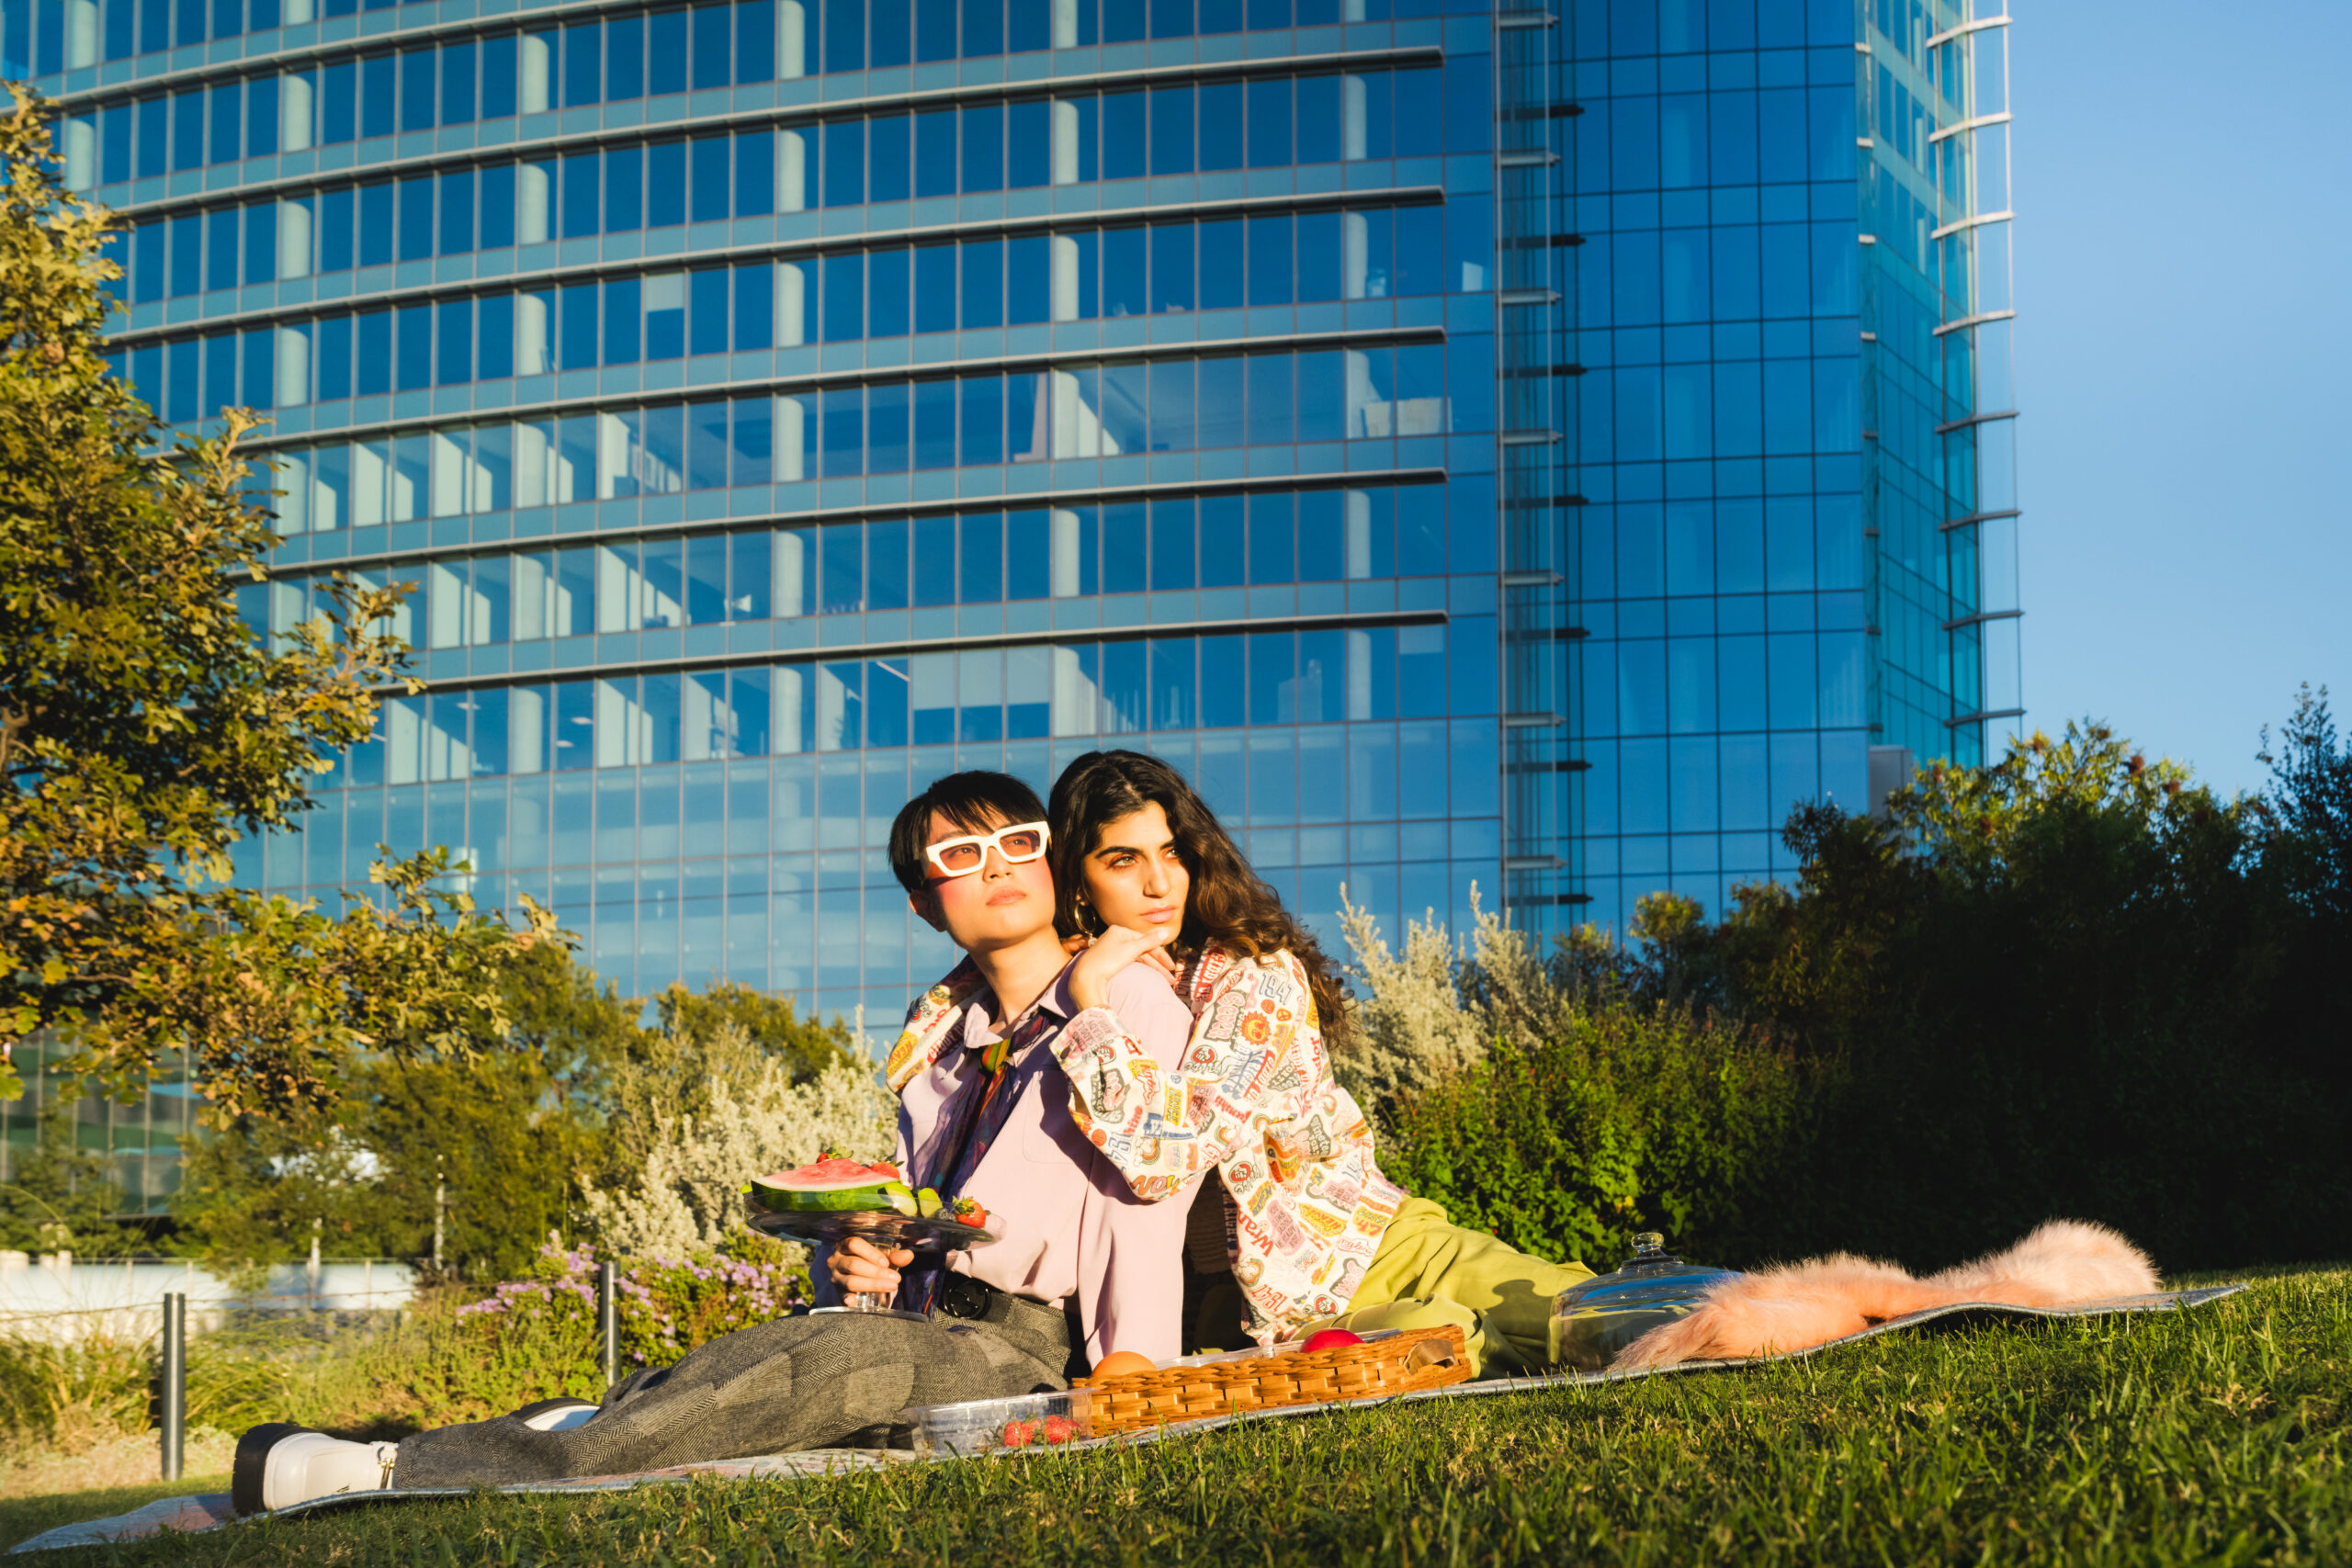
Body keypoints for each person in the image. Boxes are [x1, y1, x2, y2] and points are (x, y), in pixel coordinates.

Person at [233, 771, 1199, 1515]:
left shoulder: (1120, 994)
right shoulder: (939, 1042)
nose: (994, 865)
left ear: (1051, 860)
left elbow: (1148, 1185)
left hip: (1034, 1348)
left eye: (1016, 842)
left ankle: (399, 1467)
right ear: (922, 901)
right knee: (808, 1352)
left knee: (830, 1373)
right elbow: (930, 1215)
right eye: (958, 856)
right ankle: (569, 1424)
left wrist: (1136, 1359)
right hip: (929, 1319)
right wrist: (863, 1252)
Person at [1043, 749, 1595, 1378]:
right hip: (1254, 1313)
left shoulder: (1253, 971)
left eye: (1171, 851)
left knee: (1599, 1316)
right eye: (1123, 859)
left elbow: (1164, 1155)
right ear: (1078, 879)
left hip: (1377, 1249)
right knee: (1433, 1336)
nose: (1159, 882)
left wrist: (1089, 998)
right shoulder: (1101, 984)